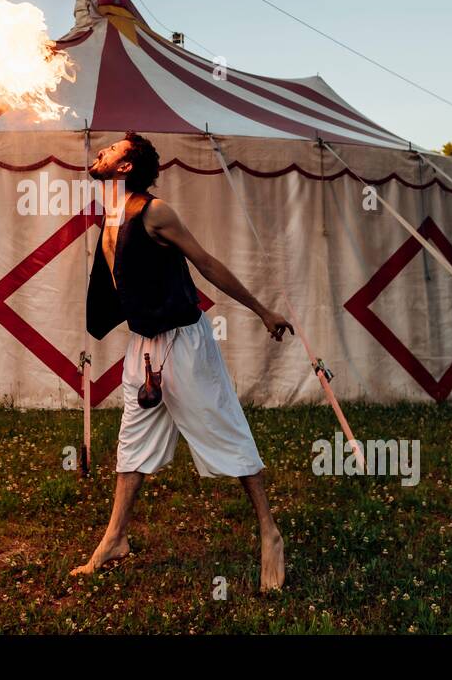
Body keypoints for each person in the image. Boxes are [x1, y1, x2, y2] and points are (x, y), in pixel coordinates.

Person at [72, 131, 293, 592]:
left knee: (224, 428)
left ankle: (270, 534)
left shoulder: (156, 212)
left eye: (111, 150)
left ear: (126, 167)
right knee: (132, 443)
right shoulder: (111, 216)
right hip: (143, 347)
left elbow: (207, 263)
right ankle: (115, 538)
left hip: (185, 344)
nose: (100, 152)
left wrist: (262, 310)